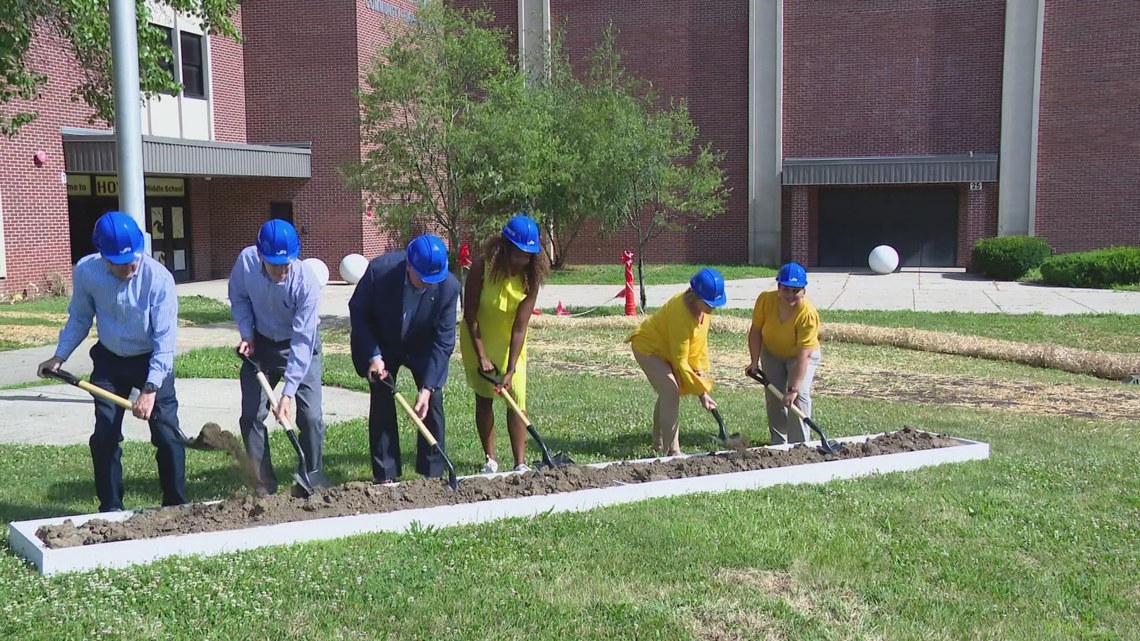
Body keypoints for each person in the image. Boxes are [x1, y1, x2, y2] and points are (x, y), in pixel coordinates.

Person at [37, 212, 186, 512]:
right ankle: (110, 509)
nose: (129, 268)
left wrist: (151, 388)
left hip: (150, 361)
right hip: (109, 361)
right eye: (119, 264)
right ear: (103, 256)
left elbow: (165, 341)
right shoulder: (87, 272)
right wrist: (59, 355)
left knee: (167, 437)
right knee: (104, 435)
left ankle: (175, 505)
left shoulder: (158, 279)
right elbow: (80, 317)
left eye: (133, 259)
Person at [348, 234, 460, 484]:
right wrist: (374, 356)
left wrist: (428, 388)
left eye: (434, 279)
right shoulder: (380, 271)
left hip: (423, 345)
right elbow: (359, 313)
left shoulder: (449, 287)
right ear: (409, 265)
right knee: (382, 397)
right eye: (423, 278)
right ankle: (386, 474)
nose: (429, 284)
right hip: (384, 342)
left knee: (434, 401)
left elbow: (444, 342)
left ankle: (432, 473)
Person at [229, 219, 325, 495]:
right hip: (260, 345)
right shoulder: (246, 263)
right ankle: (264, 486)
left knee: (310, 417)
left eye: (287, 263)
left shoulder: (305, 281)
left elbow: (303, 340)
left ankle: (309, 480)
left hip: (298, 346)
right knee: (251, 416)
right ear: (260, 255)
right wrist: (247, 334)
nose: (283, 270)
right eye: (275, 263)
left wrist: (288, 393)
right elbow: (239, 297)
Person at [460, 214, 550, 473]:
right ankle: (490, 460)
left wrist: (510, 369)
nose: (523, 260)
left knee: (516, 398)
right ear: (504, 248)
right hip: (478, 336)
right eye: (518, 254)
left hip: (511, 343)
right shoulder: (482, 267)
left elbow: (520, 327)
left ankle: (520, 463)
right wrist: (482, 356)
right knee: (485, 397)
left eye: (529, 255)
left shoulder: (531, 279)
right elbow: (470, 315)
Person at [625, 268, 725, 457]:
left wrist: (701, 385)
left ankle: (658, 442)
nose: (713, 306)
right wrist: (701, 392)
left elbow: (698, 350)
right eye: (709, 302)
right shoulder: (681, 315)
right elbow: (681, 362)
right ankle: (673, 451)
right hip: (648, 347)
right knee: (670, 390)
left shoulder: (704, 311)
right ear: (695, 295)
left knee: (667, 392)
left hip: (667, 349)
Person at [746, 261, 822, 445]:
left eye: (795, 290)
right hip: (771, 353)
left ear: (804, 291)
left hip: (800, 357)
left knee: (799, 397)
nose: (790, 295)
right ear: (778, 287)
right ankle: (779, 443)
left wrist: (793, 389)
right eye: (786, 289)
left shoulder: (807, 314)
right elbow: (755, 330)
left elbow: (804, 355)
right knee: (774, 397)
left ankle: (800, 445)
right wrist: (754, 361)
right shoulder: (765, 300)